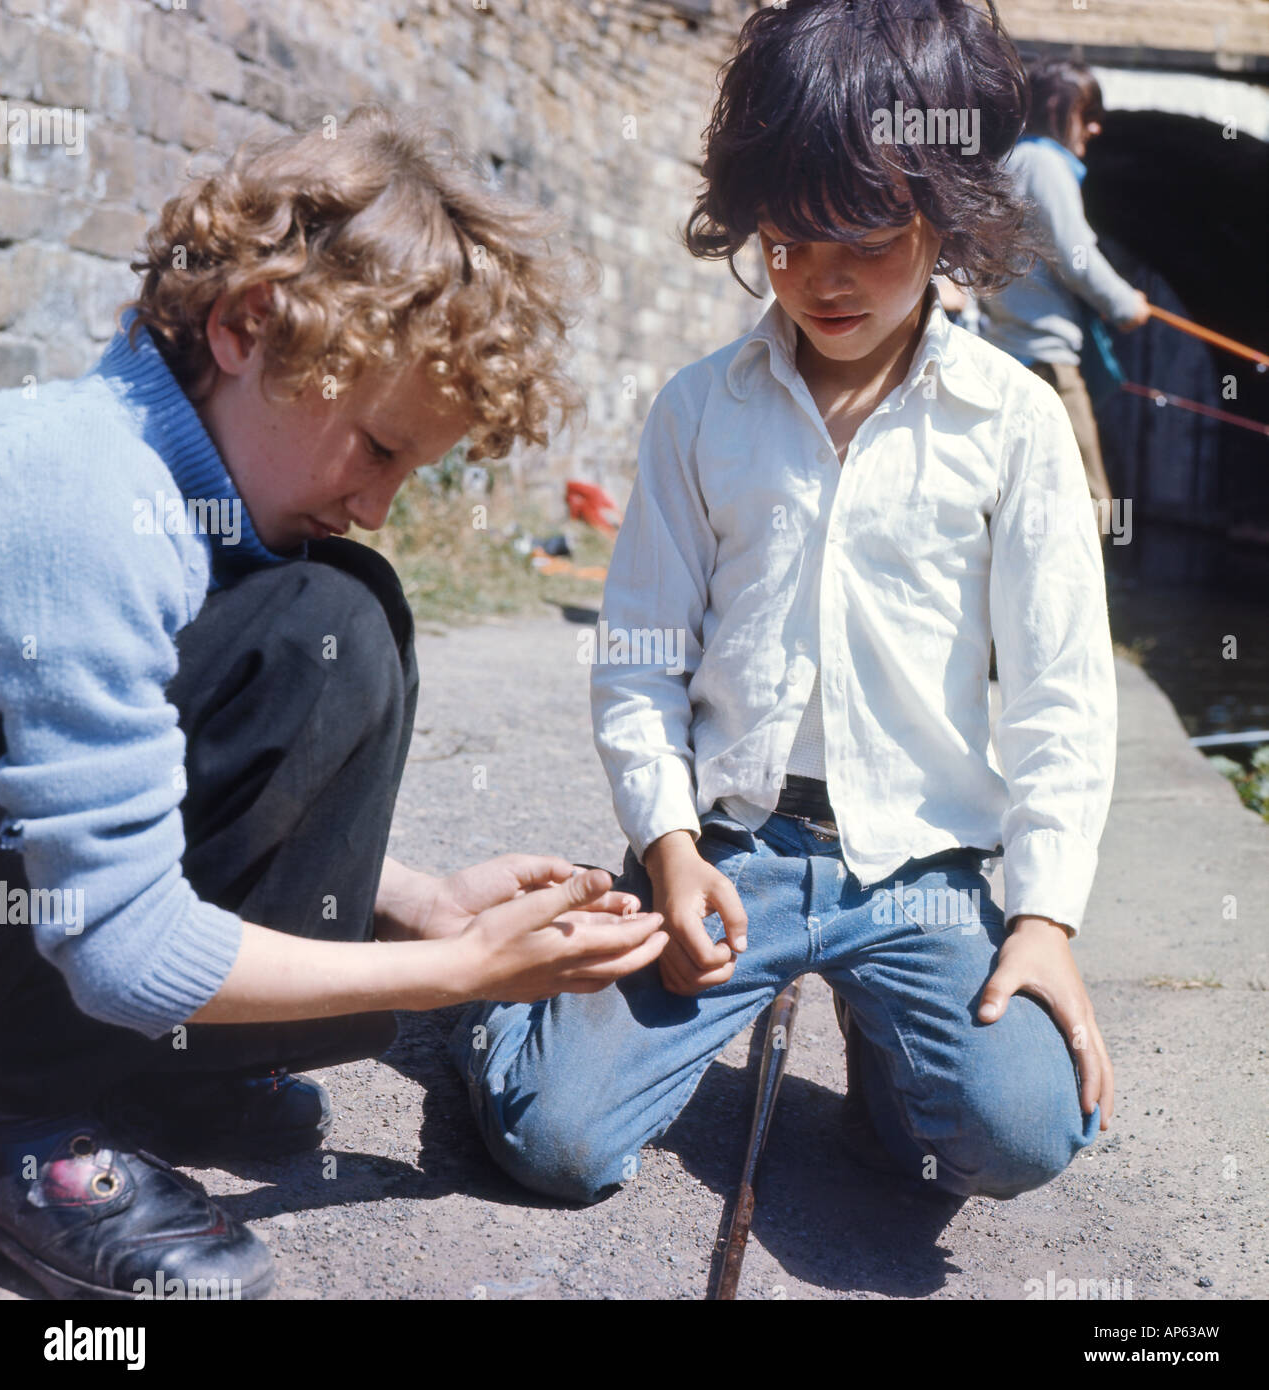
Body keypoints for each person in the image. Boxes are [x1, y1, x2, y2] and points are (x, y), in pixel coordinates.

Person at [450, 0, 1117, 1210]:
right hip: (734, 849)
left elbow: (1063, 695)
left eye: (868, 232)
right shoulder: (700, 412)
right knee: (552, 1143)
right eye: (789, 238)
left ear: (948, 213)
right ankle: (515, 1001)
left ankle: (894, 1051)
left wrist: (1045, 920)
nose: (825, 277)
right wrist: (666, 844)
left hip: (925, 866)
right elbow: (643, 657)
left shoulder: (1013, 423)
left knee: (1024, 1131)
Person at [0, 106, 666, 1300]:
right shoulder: (87, 496)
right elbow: (122, 946)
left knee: (329, 614)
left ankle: (161, 1073)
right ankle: (27, 1121)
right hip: (58, 952)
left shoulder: (187, 484)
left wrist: (416, 904)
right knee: (325, 621)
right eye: (377, 449)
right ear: (250, 325)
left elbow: (136, 778)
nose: (378, 503)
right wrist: (449, 980)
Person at [978, 55, 1151, 528]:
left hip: (1013, 354)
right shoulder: (1045, 164)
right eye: (1087, 115)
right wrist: (1125, 304)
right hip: (1047, 363)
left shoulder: (1010, 162)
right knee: (1090, 506)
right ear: (1060, 109)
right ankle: (1084, 601)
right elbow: (1077, 258)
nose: (1094, 129)